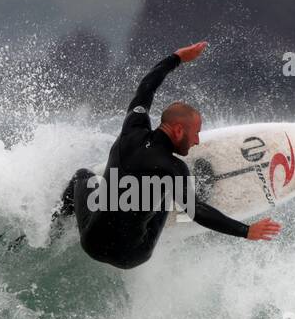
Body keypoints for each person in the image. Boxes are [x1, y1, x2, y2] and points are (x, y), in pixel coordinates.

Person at [57, 41, 281, 269]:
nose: (196, 141)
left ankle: (55, 225)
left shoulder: (131, 129)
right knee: (169, 192)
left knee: (82, 176)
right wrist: (246, 231)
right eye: (195, 134)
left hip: (92, 243)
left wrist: (176, 58)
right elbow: (197, 212)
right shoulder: (173, 168)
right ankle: (194, 191)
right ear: (177, 130)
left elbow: (146, 88)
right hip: (131, 255)